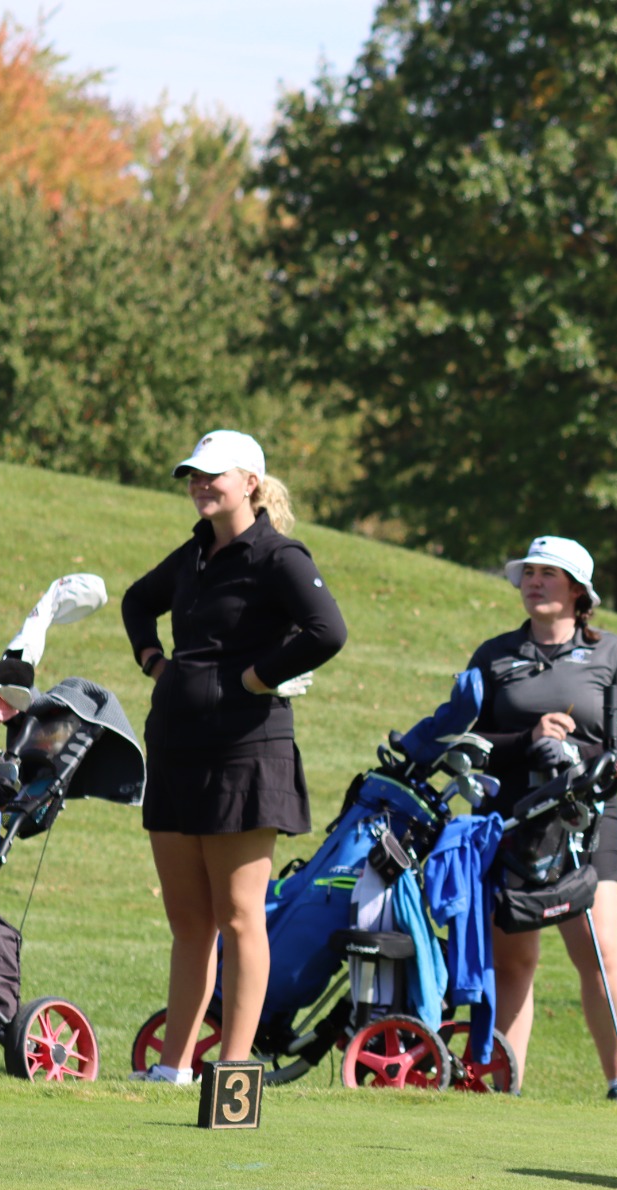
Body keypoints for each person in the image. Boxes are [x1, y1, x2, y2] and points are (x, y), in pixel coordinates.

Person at [121, 431, 347, 1083]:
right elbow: (138, 600)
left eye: (212, 475)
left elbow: (327, 629)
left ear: (250, 481)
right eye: (193, 474)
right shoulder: (194, 555)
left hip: (245, 753)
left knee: (240, 917)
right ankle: (173, 1067)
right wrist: (152, 660)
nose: (199, 484)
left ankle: (235, 1067)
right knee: (189, 920)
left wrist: (256, 677)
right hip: (174, 747)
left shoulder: (276, 555)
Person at [468, 536, 617, 1106]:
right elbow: (470, 742)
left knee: (599, 950)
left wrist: (588, 764)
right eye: (529, 572)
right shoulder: (493, 654)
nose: (534, 581)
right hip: (510, 821)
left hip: (587, 822)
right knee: (513, 956)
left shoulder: (613, 653)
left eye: (549, 573)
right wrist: (529, 740)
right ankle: (505, 1083)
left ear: (578, 591)